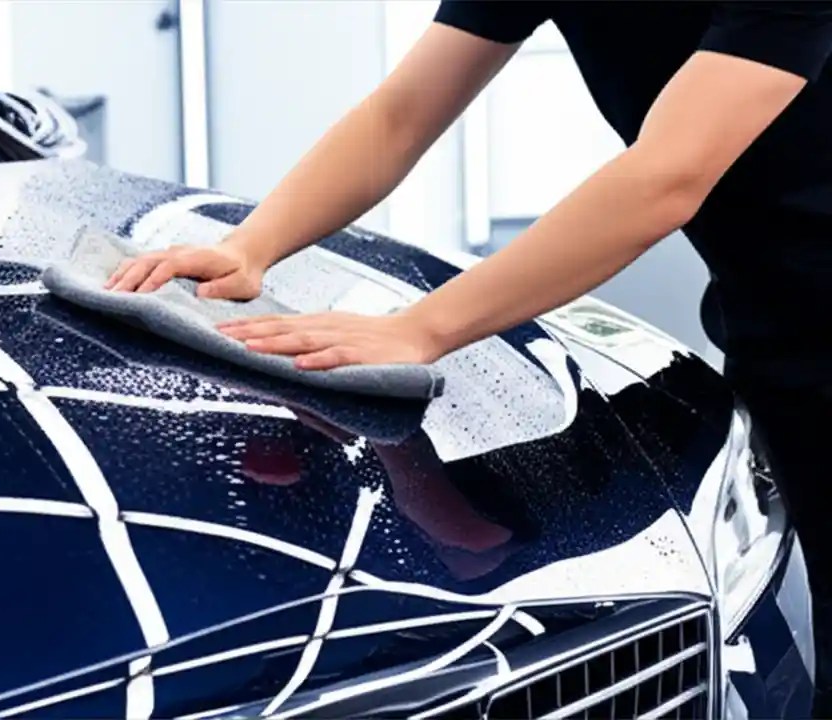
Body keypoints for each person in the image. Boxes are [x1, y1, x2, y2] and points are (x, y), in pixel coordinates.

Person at [105, 1, 832, 711]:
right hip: (774, 315)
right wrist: (250, 244)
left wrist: (422, 329)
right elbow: (401, 113)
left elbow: (667, 175)